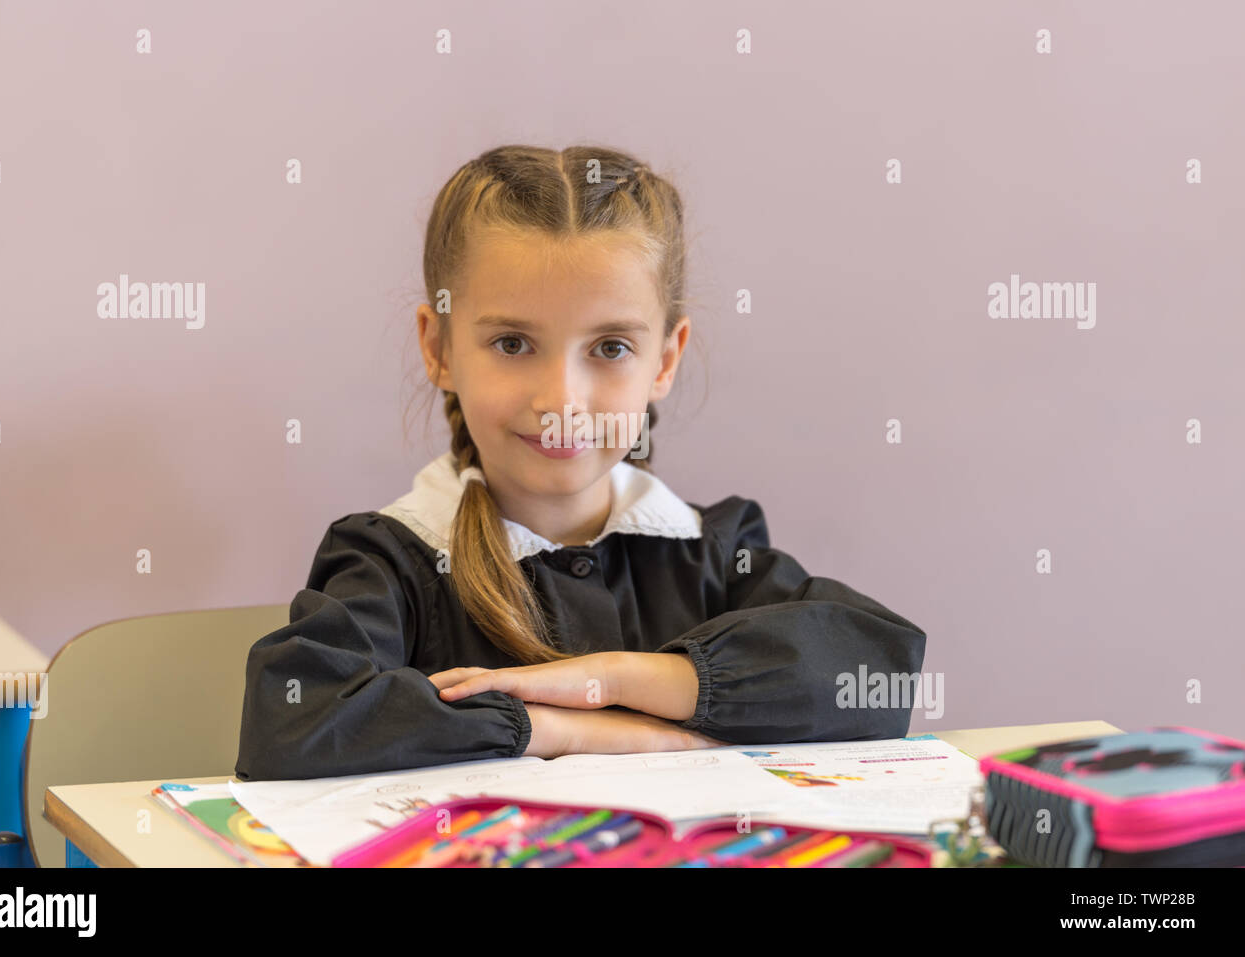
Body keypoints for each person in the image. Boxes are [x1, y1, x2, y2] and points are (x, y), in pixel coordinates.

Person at [235, 144, 926, 781]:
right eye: (512, 343)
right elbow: (291, 724)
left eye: (610, 348)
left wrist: (622, 679)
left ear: (666, 357)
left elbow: (876, 667)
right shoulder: (392, 558)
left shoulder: (711, 549)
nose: (562, 399)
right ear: (439, 347)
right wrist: (560, 726)